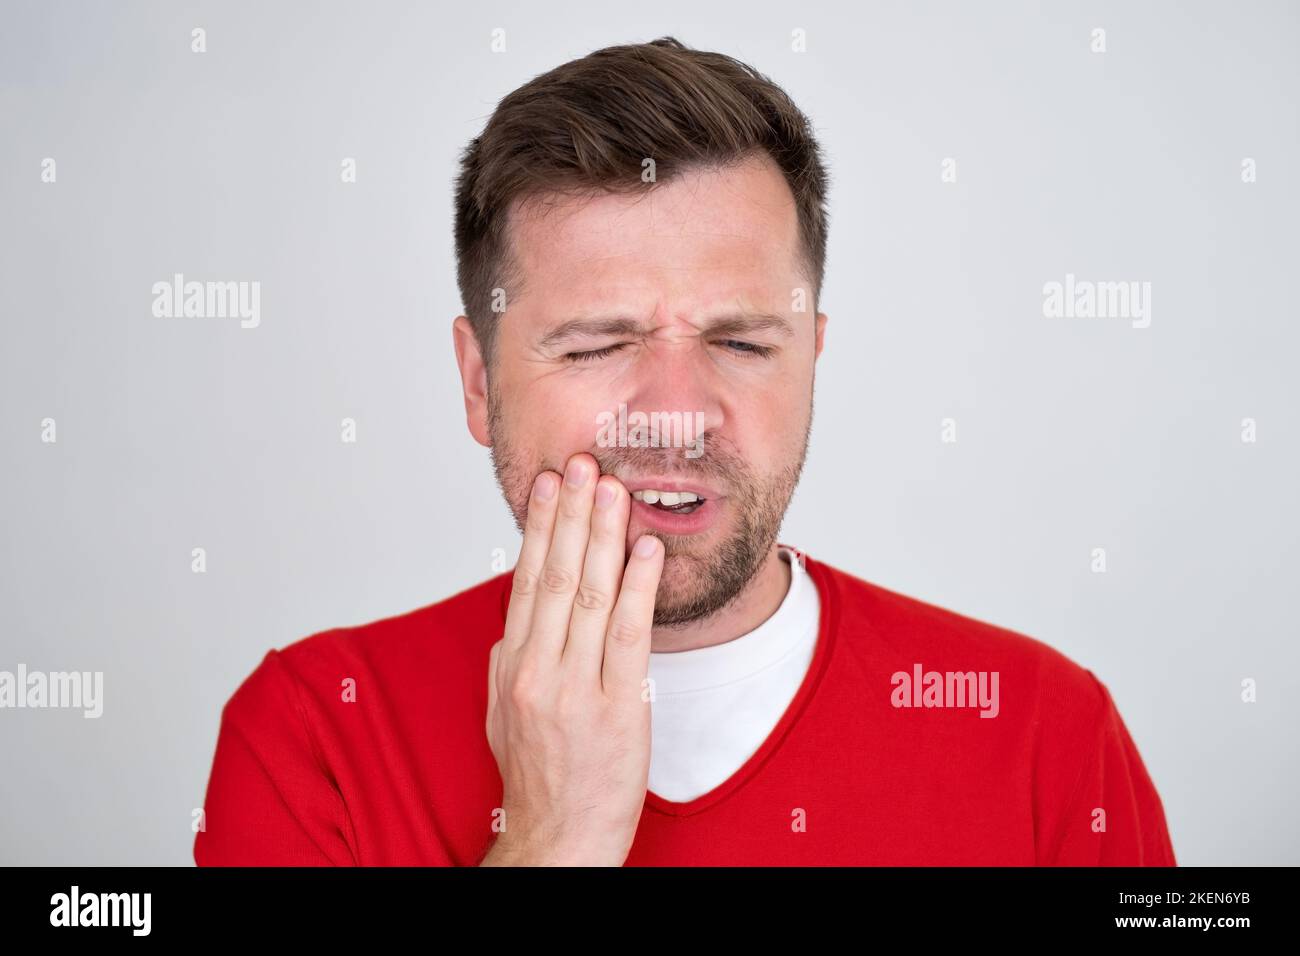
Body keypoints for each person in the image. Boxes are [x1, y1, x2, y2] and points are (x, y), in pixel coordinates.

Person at [194, 37, 1176, 866]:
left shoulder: (1046, 733)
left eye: (742, 343)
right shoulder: (315, 731)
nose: (675, 415)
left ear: (812, 363)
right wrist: (549, 836)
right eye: (595, 345)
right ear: (480, 383)